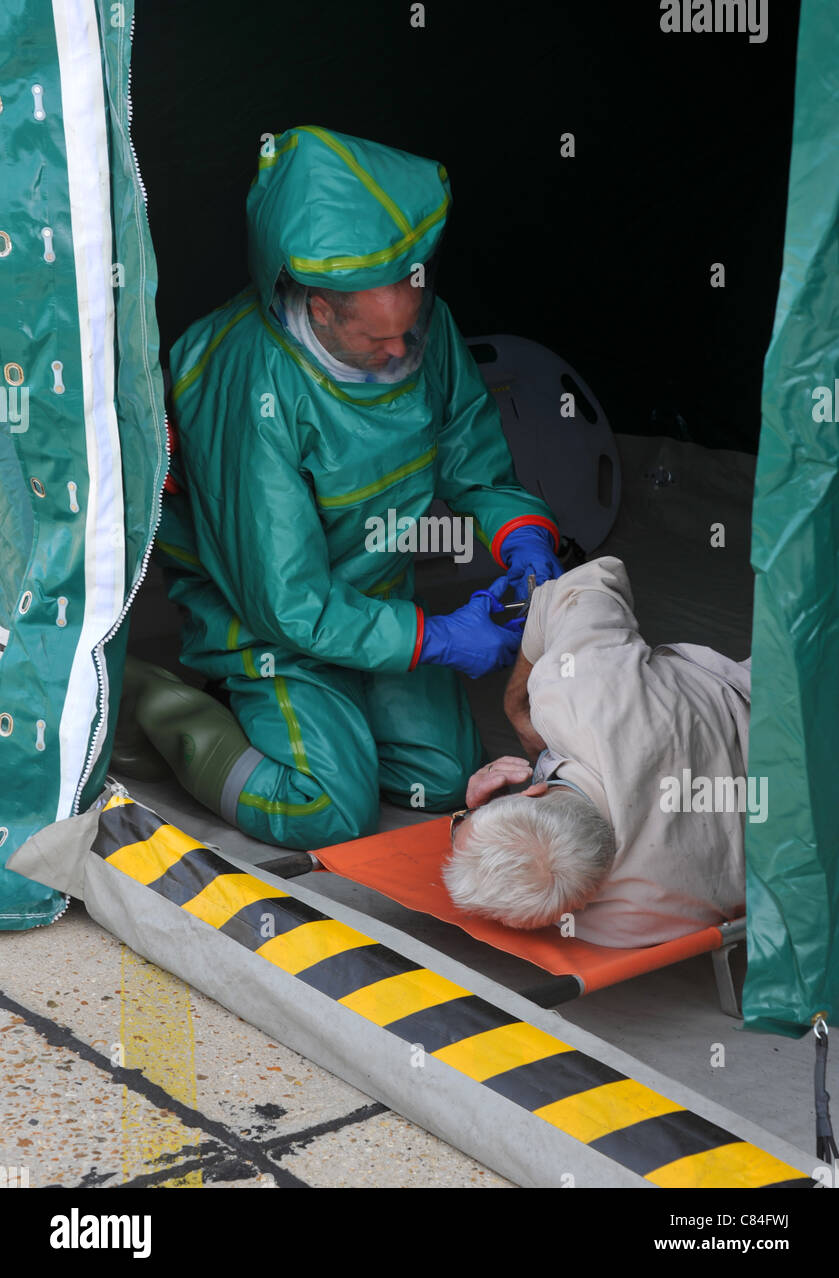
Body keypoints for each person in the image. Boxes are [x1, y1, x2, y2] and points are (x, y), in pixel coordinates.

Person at [136, 125, 563, 849]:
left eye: (410, 327)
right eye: (376, 340)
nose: (400, 351)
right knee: (326, 809)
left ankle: (333, 706)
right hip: (267, 626)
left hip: (372, 594)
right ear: (317, 304)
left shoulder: (418, 326)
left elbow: (472, 456)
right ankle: (155, 705)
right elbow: (286, 600)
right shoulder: (252, 386)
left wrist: (523, 539)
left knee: (441, 777)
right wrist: (436, 637)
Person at [443, 556, 752, 947]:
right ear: (534, 790)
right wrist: (518, 708)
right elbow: (591, 579)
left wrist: (482, 815)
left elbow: (529, 883)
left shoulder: (628, 925)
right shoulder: (577, 693)